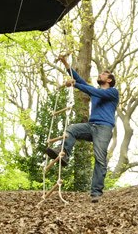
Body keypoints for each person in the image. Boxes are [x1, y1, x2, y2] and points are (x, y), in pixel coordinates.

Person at [45, 54, 119, 203]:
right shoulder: (96, 91)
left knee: (100, 158)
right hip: (91, 127)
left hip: (104, 128)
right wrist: (65, 63)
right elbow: (78, 79)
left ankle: (96, 193)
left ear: (109, 80)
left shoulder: (112, 92)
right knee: (71, 129)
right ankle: (64, 154)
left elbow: (92, 90)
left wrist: (75, 85)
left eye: (103, 74)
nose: (100, 75)